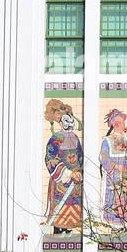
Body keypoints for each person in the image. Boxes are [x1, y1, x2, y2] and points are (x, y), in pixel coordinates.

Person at [43, 99, 82, 232]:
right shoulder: (55, 139)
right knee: (59, 221)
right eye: (65, 120)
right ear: (60, 121)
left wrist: (78, 172)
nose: (69, 123)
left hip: (75, 183)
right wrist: (68, 173)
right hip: (61, 181)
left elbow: (81, 157)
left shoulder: (75, 138)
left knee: (72, 223)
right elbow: (50, 159)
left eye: (71, 120)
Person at [99, 108, 127, 228]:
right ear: (114, 124)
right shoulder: (107, 140)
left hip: (125, 175)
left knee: (126, 197)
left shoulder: (126, 139)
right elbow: (103, 157)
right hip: (113, 176)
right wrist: (115, 166)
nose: (122, 125)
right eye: (119, 122)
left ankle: (124, 225)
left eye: (122, 122)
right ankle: (113, 225)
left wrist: (126, 167)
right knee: (113, 197)